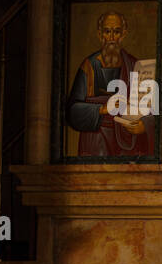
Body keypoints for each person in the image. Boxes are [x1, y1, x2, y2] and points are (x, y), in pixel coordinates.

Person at [66, 11, 154, 158]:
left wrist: (144, 125)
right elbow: (72, 111)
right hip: (95, 141)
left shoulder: (134, 66)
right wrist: (102, 109)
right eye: (107, 32)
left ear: (124, 34)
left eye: (117, 32)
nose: (112, 38)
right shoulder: (89, 67)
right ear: (100, 34)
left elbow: (152, 109)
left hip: (128, 143)